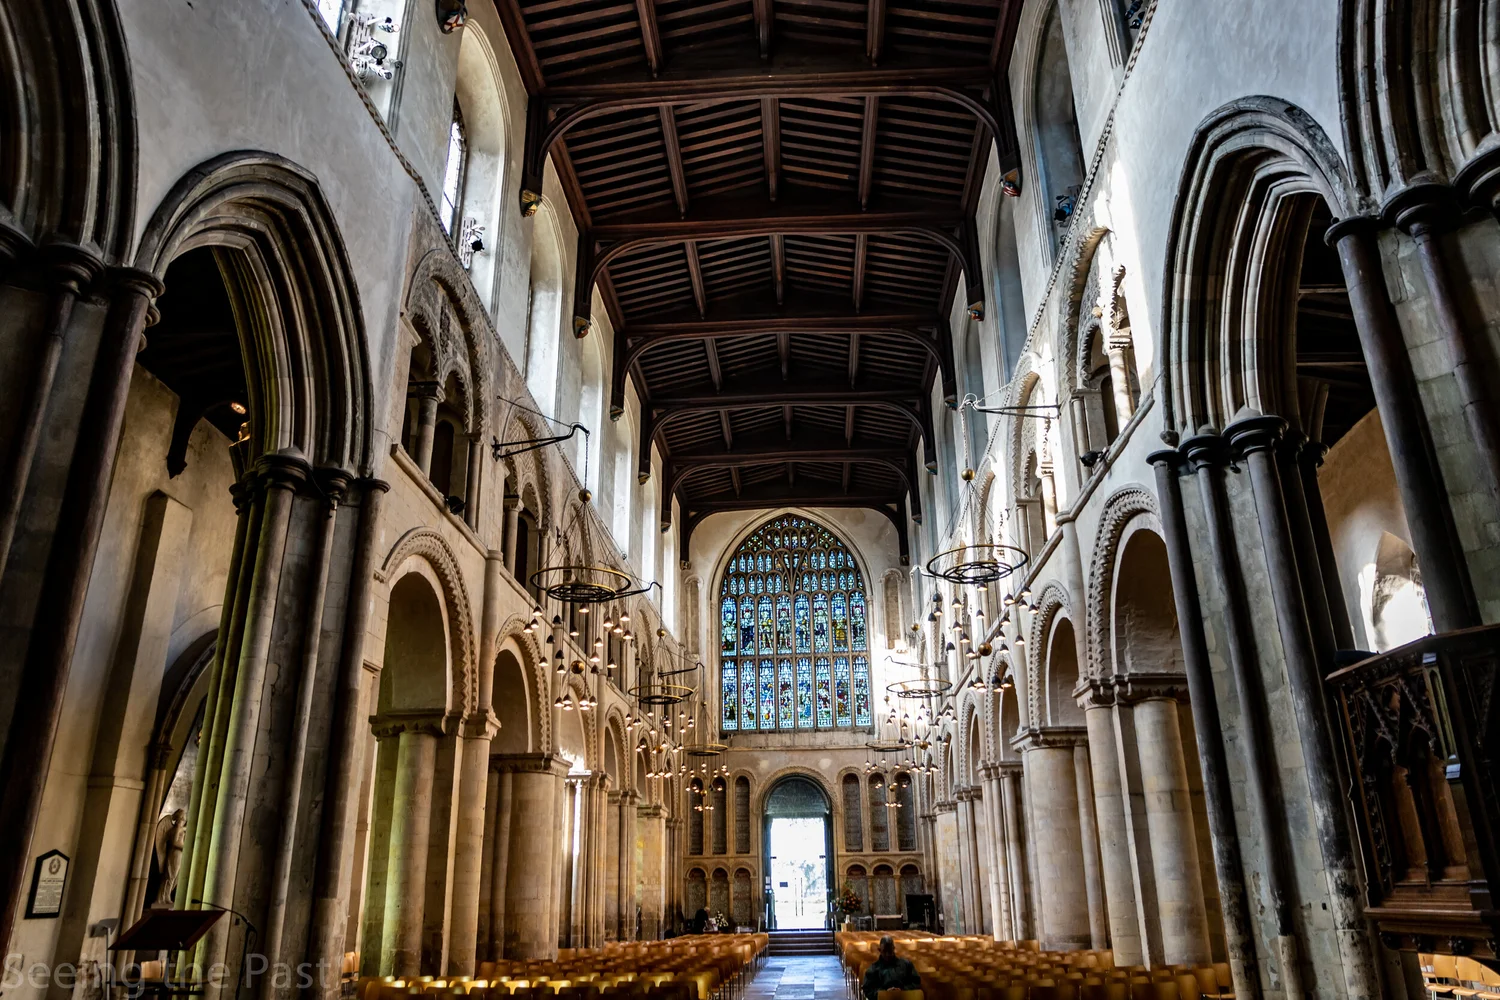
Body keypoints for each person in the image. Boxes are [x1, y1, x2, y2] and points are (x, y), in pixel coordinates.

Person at [861, 936, 921, 1000]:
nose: (887, 954)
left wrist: (902, 990)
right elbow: (868, 990)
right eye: (884, 951)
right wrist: (884, 993)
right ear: (880, 950)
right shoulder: (873, 969)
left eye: (890, 951)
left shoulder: (906, 965)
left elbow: (916, 982)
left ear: (893, 949)